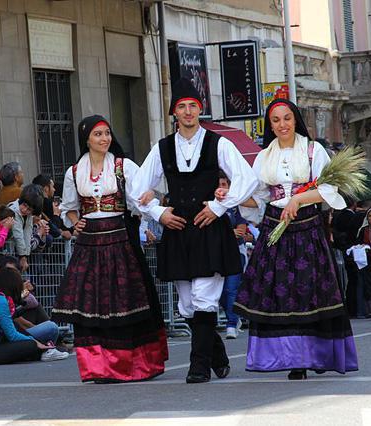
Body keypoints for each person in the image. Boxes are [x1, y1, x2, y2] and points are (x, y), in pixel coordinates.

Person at [131, 78, 257, 384]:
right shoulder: (162, 147)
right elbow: (136, 188)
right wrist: (159, 213)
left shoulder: (219, 143)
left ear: (200, 109)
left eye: (193, 106)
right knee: (186, 305)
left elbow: (247, 178)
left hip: (209, 228)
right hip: (177, 228)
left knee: (204, 297)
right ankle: (216, 354)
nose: (188, 112)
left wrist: (218, 207)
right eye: (182, 107)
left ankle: (198, 365)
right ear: (175, 112)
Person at [230, 98, 358, 380]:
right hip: (276, 228)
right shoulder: (264, 157)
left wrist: (298, 199)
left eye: (286, 118)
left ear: (295, 119)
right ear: (270, 125)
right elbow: (261, 197)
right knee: (280, 296)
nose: (282, 125)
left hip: (308, 229)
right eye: (275, 120)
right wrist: (232, 197)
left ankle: (314, 355)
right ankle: (291, 357)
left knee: (309, 293)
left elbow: (329, 190)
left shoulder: (313, 150)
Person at [52, 115, 167, 383]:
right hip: (89, 243)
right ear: (86, 139)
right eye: (98, 134)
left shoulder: (122, 166)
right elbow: (69, 208)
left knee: (125, 302)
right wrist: (75, 223)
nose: (104, 139)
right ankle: (98, 366)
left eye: (107, 133)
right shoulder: (74, 172)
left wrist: (151, 200)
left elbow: (142, 197)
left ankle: (132, 365)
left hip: (119, 240)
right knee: (91, 306)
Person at [0, 268, 65, 365]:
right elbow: (12, 335)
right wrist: (35, 342)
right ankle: (44, 351)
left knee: (17, 332)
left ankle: (45, 349)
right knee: (30, 345)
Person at [217, 171, 248, 339]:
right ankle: (233, 316)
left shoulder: (236, 206)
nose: (221, 188)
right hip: (216, 254)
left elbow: (241, 232)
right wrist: (229, 232)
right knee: (220, 292)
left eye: (224, 185)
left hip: (236, 252)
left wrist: (224, 234)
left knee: (231, 288)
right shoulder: (210, 206)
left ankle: (231, 324)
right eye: (219, 185)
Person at [7, 184, 44, 272]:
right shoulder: (12, 210)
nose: (24, 210)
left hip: (14, 252)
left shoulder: (29, 216)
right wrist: (23, 257)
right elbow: (18, 235)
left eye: (29, 209)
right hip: (6, 251)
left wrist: (25, 257)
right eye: (24, 205)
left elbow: (27, 234)